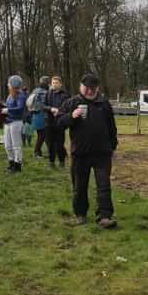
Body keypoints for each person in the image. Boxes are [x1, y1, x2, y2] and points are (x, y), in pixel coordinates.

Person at [58, 73, 118, 228]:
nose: (90, 91)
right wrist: (72, 115)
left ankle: (104, 216)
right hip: (80, 154)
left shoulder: (104, 104)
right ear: (80, 86)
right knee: (79, 186)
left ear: (97, 88)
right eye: (87, 88)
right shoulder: (71, 102)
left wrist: (112, 146)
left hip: (102, 153)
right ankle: (80, 214)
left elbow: (112, 127)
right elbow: (59, 122)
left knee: (104, 185)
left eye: (93, 88)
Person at [3, 75, 27, 172]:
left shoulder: (20, 95)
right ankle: (11, 162)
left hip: (16, 122)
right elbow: (9, 105)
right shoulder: (10, 95)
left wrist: (7, 109)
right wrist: (2, 106)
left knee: (16, 145)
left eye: (9, 83)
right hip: (8, 122)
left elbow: (20, 108)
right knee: (7, 145)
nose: (8, 85)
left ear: (14, 84)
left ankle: (17, 165)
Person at [45, 75, 69, 167]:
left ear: (60, 84)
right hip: (49, 121)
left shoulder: (65, 95)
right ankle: (51, 162)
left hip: (60, 122)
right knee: (50, 143)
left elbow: (67, 107)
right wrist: (51, 109)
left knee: (59, 143)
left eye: (56, 83)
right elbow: (43, 106)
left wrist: (59, 111)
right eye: (53, 83)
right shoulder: (48, 94)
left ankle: (61, 161)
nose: (54, 85)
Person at [27, 76, 50, 157]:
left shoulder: (35, 90)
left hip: (35, 115)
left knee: (44, 134)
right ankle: (37, 152)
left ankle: (49, 151)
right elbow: (45, 104)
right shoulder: (44, 92)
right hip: (42, 115)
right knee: (43, 135)